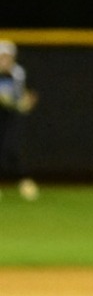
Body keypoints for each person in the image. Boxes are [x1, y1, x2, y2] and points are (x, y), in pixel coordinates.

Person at [0, 40, 37, 187]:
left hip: (11, 116)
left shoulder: (19, 73)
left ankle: (24, 180)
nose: (4, 60)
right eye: (2, 57)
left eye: (7, 56)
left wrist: (25, 102)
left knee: (12, 146)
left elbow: (28, 96)